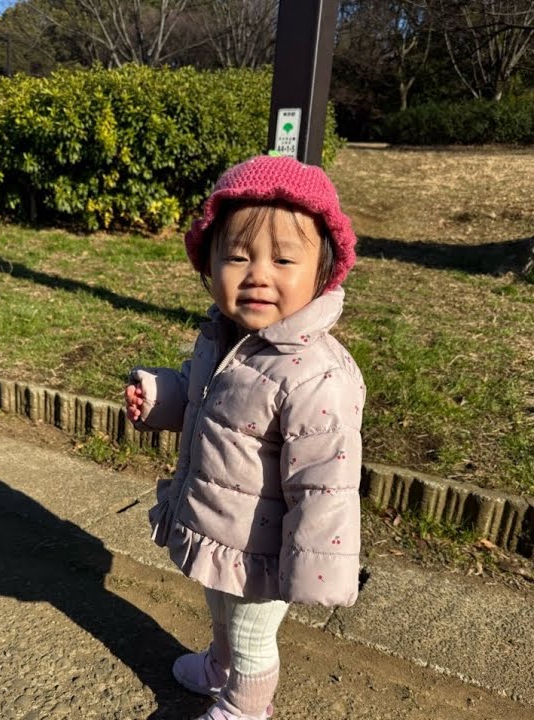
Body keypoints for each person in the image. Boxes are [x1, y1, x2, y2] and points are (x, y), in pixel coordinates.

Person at [124, 155, 364, 720]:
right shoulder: (225, 336)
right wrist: (160, 397)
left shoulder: (317, 376)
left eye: (283, 259)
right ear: (209, 265)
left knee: (253, 636)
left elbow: (325, 486)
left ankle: (244, 707)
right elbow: (204, 394)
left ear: (322, 271)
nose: (257, 274)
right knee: (221, 609)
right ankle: (218, 666)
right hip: (221, 528)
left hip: (264, 549)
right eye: (237, 256)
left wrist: (313, 571)